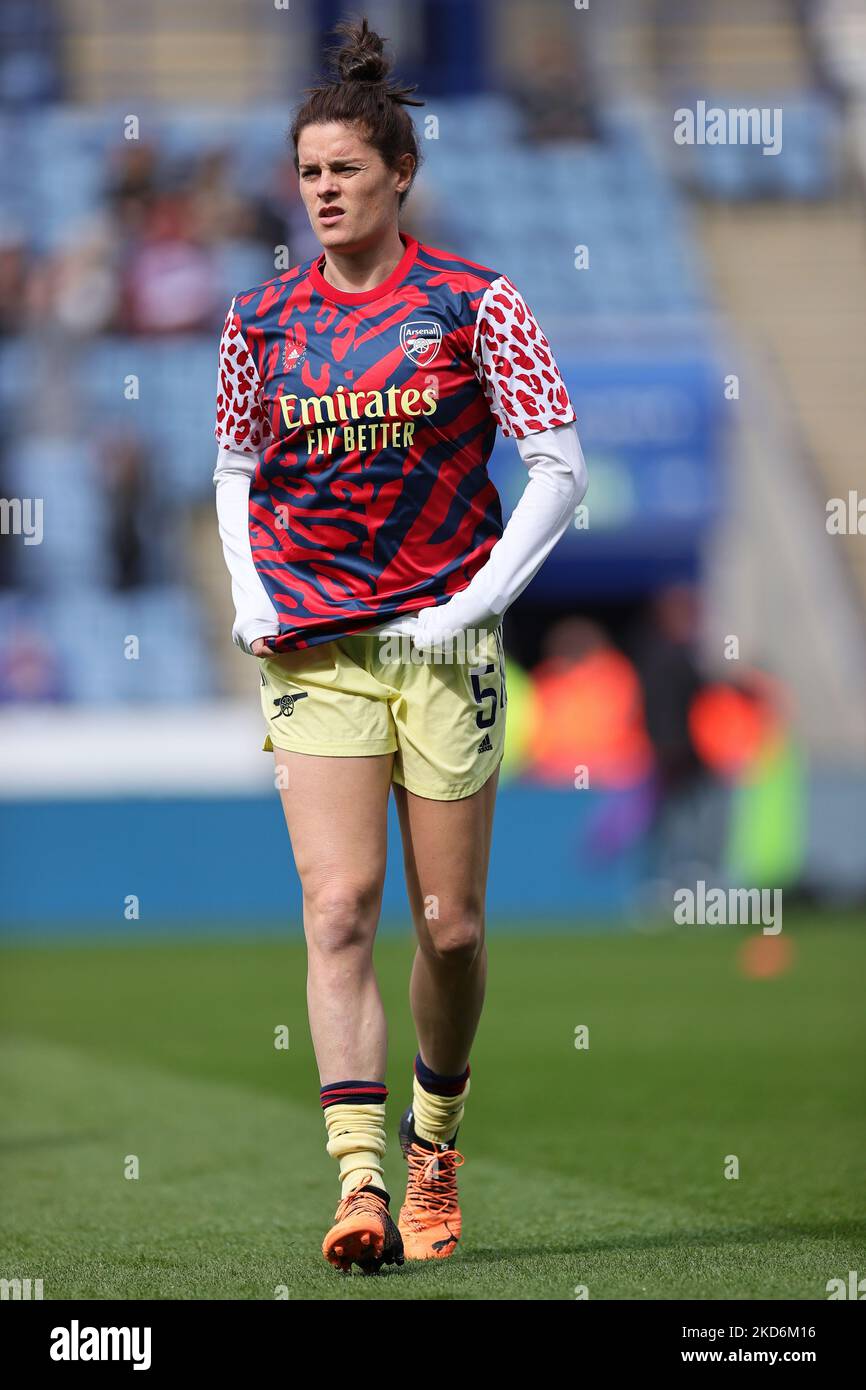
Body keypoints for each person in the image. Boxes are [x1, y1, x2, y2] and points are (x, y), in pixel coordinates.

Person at [213, 16, 587, 1274]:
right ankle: (362, 1185)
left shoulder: (475, 303)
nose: (324, 191)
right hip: (313, 642)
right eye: (309, 172)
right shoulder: (259, 322)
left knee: (450, 928)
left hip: (439, 643)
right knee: (336, 907)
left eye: (347, 171)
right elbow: (230, 465)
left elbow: (558, 468)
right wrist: (244, 585)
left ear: (399, 176)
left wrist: (476, 601)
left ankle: (437, 1139)